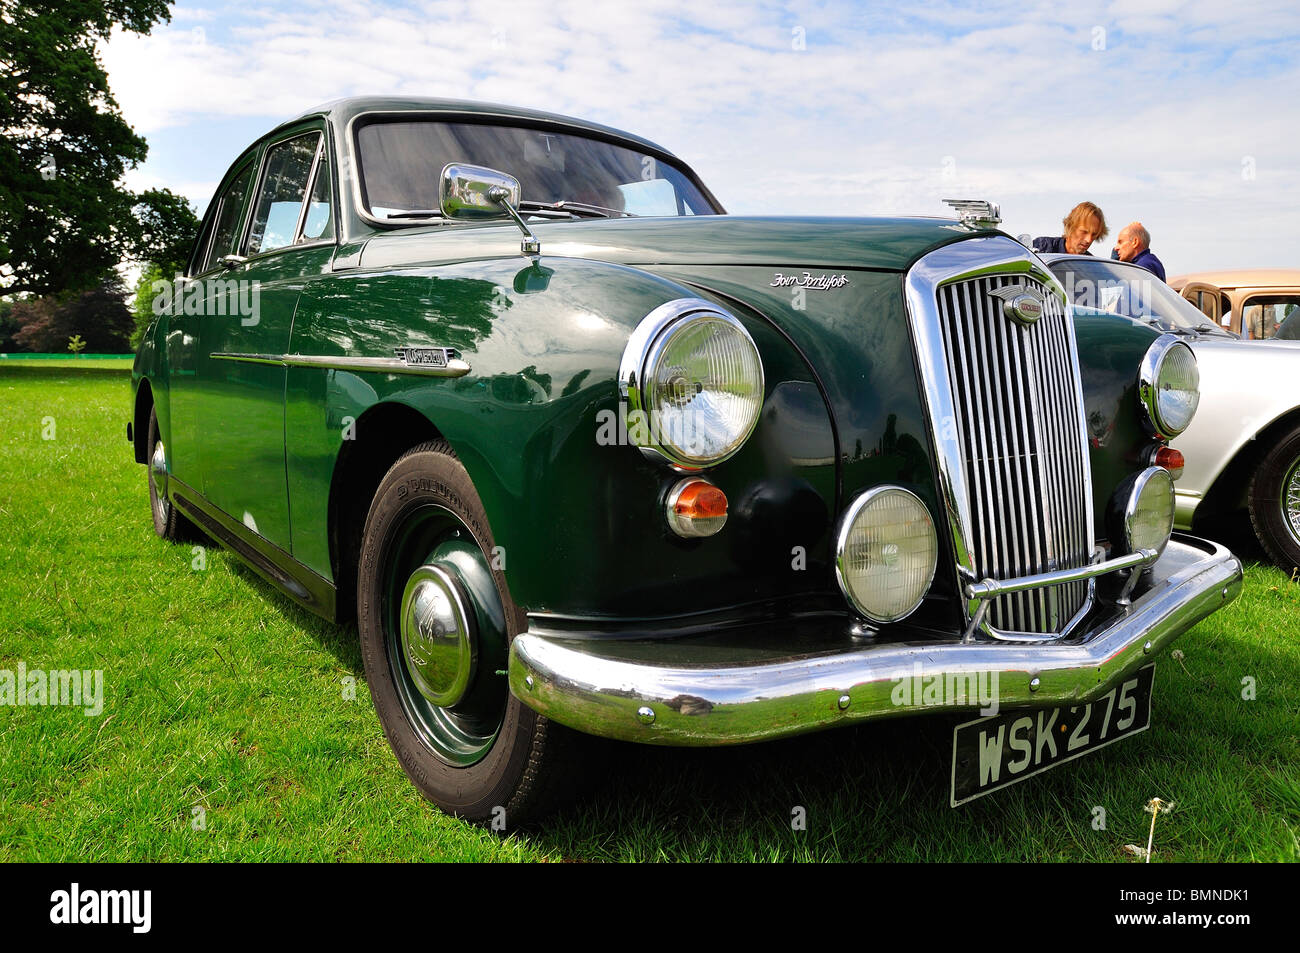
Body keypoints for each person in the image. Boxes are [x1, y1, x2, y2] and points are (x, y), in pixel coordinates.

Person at [1032, 202, 1108, 256]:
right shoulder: (1043, 247)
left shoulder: (1092, 265)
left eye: (1094, 234)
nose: (1089, 240)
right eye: (1084, 232)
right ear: (1071, 226)